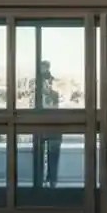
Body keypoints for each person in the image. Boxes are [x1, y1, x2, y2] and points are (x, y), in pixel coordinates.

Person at [37, 60, 62, 188]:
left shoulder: (52, 85)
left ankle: (50, 181)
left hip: (51, 124)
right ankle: (47, 181)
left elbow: (56, 103)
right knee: (43, 154)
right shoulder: (37, 86)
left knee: (51, 154)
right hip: (46, 124)